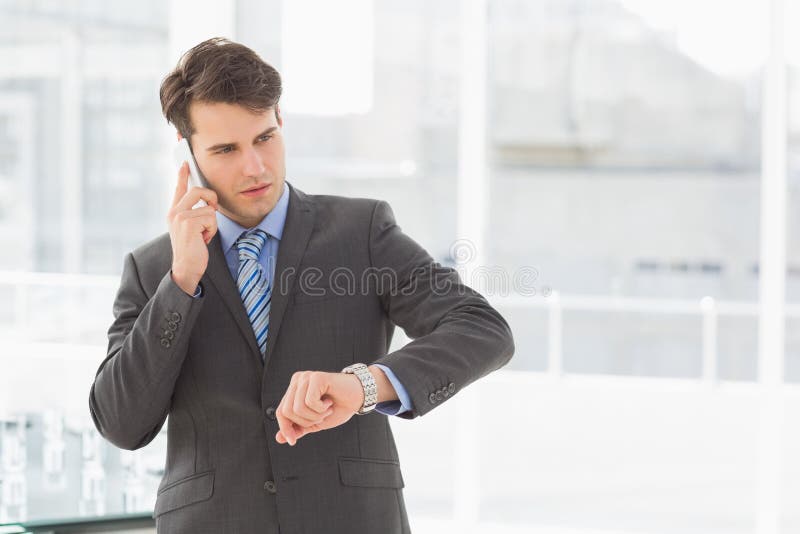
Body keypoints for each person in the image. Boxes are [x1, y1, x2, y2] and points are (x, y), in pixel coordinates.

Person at [89, 37, 514, 534]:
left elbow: (482, 329)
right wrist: (181, 282)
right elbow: (120, 423)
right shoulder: (153, 269)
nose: (255, 167)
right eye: (226, 149)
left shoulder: (362, 232)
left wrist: (363, 386)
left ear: (280, 120)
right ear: (189, 150)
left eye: (264, 138)